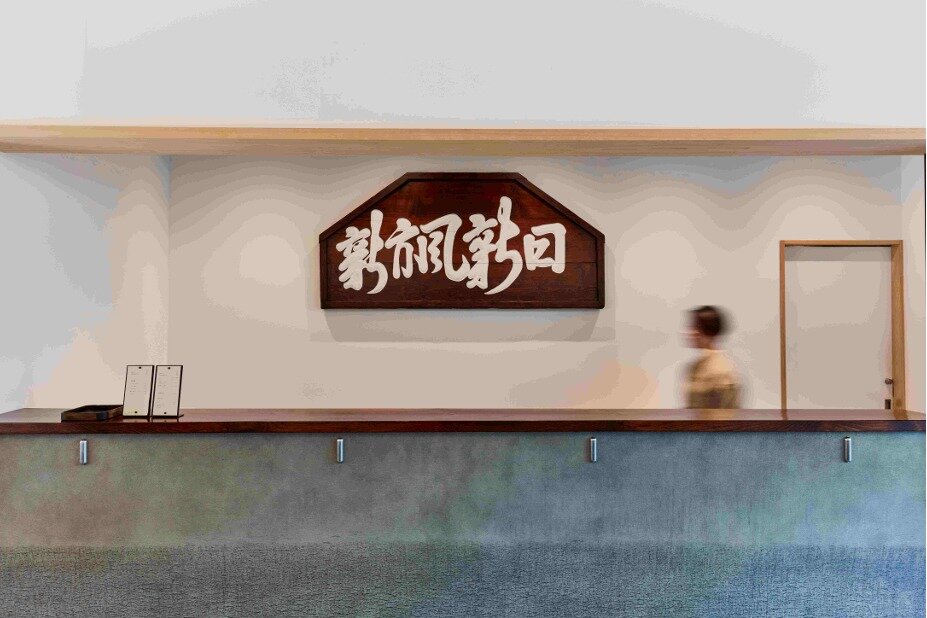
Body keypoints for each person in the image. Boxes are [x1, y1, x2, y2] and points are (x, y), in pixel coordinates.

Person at [683, 305, 740, 409]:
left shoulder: (721, 369)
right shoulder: (696, 366)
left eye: (695, 327)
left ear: (709, 330)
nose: (690, 333)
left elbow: (725, 413)